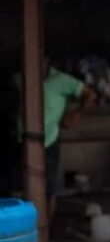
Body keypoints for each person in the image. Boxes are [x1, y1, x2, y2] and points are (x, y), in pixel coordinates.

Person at [16, 57, 96, 220]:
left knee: (49, 188)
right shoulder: (19, 78)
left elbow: (90, 94)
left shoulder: (61, 80)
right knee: (19, 187)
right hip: (22, 140)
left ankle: (46, 227)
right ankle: (23, 227)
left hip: (49, 141)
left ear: (46, 61)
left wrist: (76, 114)